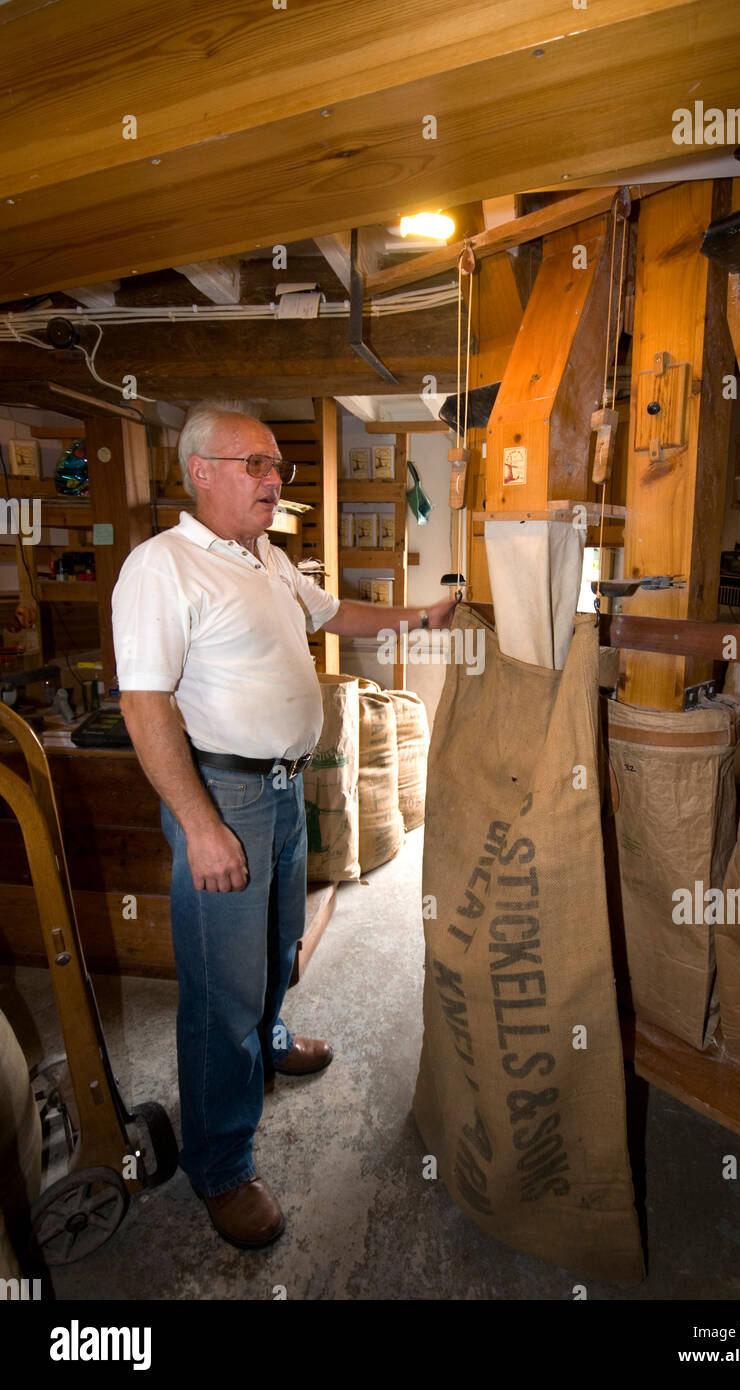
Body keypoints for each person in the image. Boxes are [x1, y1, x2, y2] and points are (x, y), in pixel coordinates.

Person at [112, 403, 455, 1249]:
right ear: (200, 471)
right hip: (221, 800)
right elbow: (143, 702)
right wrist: (200, 825)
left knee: (274, 952)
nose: (274, 481)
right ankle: (221, 1164)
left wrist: (415, 618)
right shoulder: (162, 568)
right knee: (217, 992)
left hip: (283, 791)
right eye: (255, 465)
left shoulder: (264, 557)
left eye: (277, 467)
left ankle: (268, 1041)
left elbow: (332, 614)